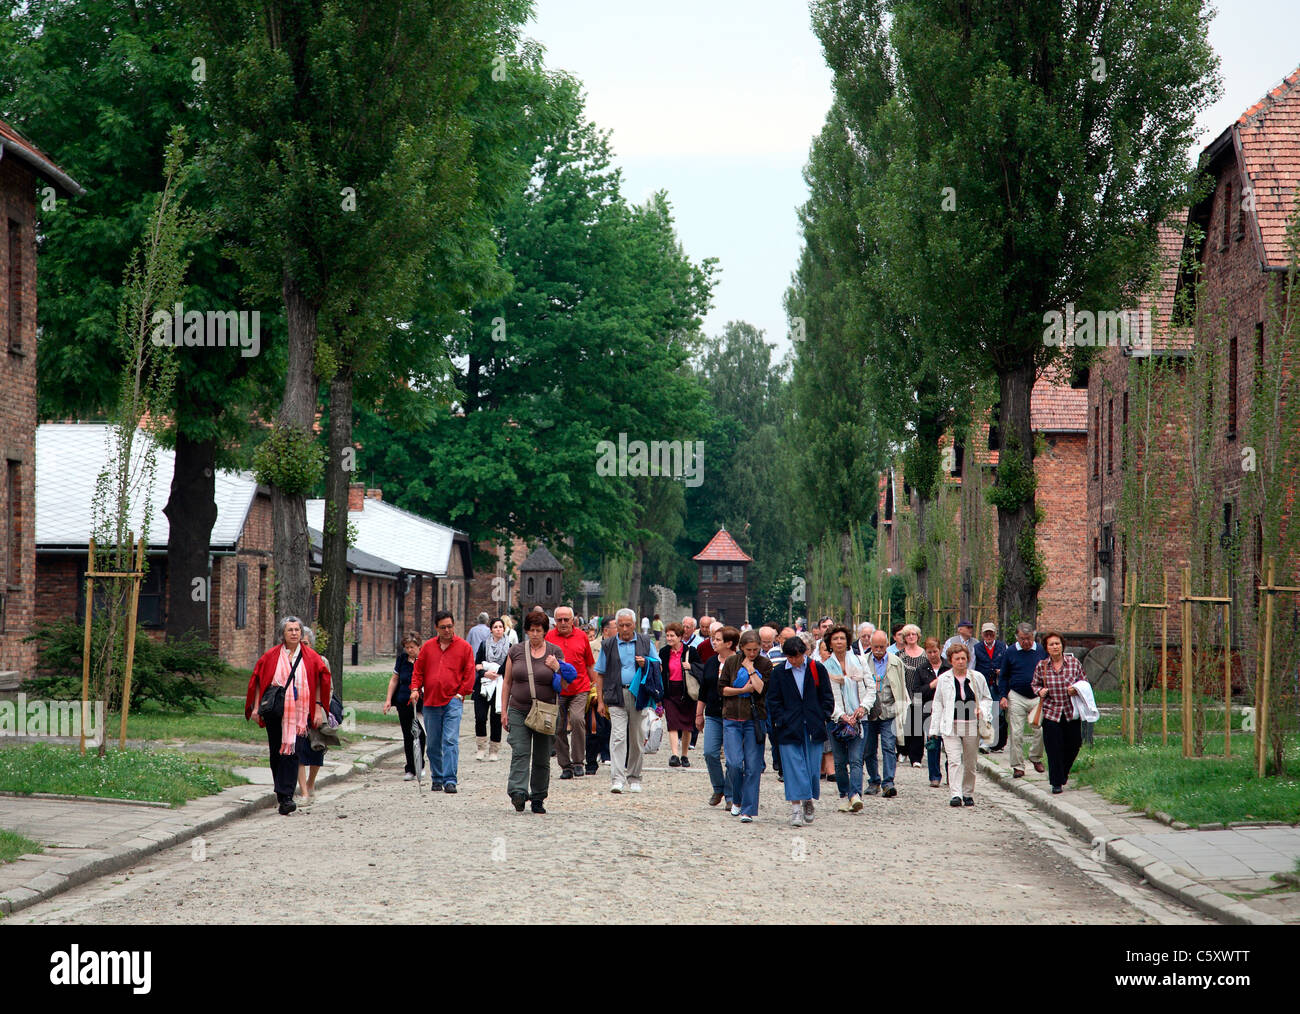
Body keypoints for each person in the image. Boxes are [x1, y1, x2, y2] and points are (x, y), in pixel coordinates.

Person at [244, 616, 330, 815]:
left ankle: (287, 797)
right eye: (290, 630)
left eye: (297, 630)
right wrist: (256, 708)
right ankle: (281, 791)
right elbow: (258, 682)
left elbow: (320, 681)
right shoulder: (271, 656)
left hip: (300, 713)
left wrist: (318, 708)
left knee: (293, 752)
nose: (294, 633)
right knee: (277, 752)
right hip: (275, 710)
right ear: (282, 633)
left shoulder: (311, 657)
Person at [766, 636, 834, 827]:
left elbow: (827, 696)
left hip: (812, 725)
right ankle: (796, 810)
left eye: (796, 657)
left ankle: (808, 799)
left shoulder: (816, 668)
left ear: (804, 653)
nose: (794, 661)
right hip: (788, 727)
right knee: (794, 769)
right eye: (790, 657)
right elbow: (773, 700)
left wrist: (823, 715)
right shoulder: (779, 672)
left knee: (812, 769)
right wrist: (780, 720)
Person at [501, 611, 566, 812]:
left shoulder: (555, 652)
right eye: (532, 630)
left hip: (545, 711)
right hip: (519, 709)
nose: (535, 634)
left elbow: (563, 684)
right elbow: (507, 682)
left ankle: (538, 796)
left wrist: (557, 668)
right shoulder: (516, 651)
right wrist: (503, 711)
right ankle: (518, 792)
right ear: (527, 630)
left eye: (539, 630)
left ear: (546, 632)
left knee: (541, 755)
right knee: (520, 751)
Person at [593, 608, 658, 794]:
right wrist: (599, 701)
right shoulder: (609, 645)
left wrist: (646, 663)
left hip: (639, 694)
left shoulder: (646, 642)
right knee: (618, 737)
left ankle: (634, 776)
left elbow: (658, 666)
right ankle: (618, 778)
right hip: (616, 695)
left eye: (628, 625)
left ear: (635, 625)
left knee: (637, 738)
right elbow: (600, 674)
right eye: (620, 625)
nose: (624, 628)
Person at [410, 610, 475, 793]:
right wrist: (415, 689)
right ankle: (437, 778)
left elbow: (470, 673)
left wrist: (461, 694)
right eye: (443, 627)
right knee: (433, 743)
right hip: (431, 701)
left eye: (450, 626)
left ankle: (450, 780)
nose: (447, 630)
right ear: (436, 628)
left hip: (453, 700)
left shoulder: (464, 647)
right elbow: (418, 671)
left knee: (450, 740)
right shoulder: (428, 647)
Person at [930, 642, 991, 807]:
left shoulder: (977, 677)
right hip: (951, 725)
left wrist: (982, 710)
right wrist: (934, 730)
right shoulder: (944, 679)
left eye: (963, 658)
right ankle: (955, 794)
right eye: (957, 659)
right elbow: (938, 704)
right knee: (954, 760)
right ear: (950, 660)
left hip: (971, 724)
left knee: (970, 763)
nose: (960, 662)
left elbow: (987, 698)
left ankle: (968, 792)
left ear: (968, 659)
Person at [718, 629, 770, 823]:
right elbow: (722, 689)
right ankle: (737, 798)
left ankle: (748, 809)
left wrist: (750, 668)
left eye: (756, 649)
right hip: (731, 718)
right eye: (748, 650)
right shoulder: (731, 662)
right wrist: (741, 690)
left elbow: (761, 689)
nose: (752, 653)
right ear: (741, 648)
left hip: (754, 720)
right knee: (733, 763)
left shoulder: (765, 664)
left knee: (753, 766)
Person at [823, 624, 874, 812]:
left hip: (859, 719)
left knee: (856, 760)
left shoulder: (860, 662)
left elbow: (870, 688)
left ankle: (855, 795)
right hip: (836, 721)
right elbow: (826, 696)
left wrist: (863, 707)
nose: (839, 642)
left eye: (842, 638)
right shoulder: (825, 667)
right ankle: (845, 793)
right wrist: (841, 715)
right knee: (839, 761)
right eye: (835, 639)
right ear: (829, 642)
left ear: (848, 641)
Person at [1032, 632, 1087, 794]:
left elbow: (1084, 682)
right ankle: (1056, 782)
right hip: (1051, 712)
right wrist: (1040, 691)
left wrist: (1075, 689)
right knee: (1053, 748)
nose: (1055, 647)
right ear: (1046, 648)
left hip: (1071, 711)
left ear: (1062, 645)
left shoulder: (1073, 663)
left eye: (1057, 643)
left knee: (1074, 743)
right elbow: (1034, 684)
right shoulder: (1042, 666)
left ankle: (1063, 773)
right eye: (1051, 644)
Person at [548, 605, 596, 779]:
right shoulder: (549, 637)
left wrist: (595, 685)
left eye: (566, 619)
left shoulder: (582, 636)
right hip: (557, 689)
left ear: (573, 620)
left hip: (580, 687)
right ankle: (565, 765)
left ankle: (578, 762)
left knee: (577, 720)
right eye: (559, 620)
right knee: (558, 726)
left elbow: (590, 663)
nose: (562, 623)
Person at [861, 629, 907, 797]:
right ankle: (874, 781)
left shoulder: (896, 662)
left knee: (888, 746)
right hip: (870, 711)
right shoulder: (864, 662)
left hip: (889, 711)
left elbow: (901, 686)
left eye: (882, 646)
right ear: (870, 646)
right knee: (868, 749)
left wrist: (901, 708)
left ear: (887, 645)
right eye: (875, 647)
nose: (879, 650)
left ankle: (888, 782)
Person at [1002, 622, 1048, 778]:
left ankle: (1035, 757)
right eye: (1022, 639)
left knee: (1040, 729)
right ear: (1017, 638)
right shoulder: (1010, 652)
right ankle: (1018, 766)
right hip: (1016, 695)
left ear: (1033, 637)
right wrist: (1003, 695)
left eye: (1028, 638)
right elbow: (1004, 676)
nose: (1026, 642)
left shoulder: (1041, 650)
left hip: (1036, 696)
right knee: (1016, 732)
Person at [696, 622, 734, 806]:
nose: (713, 642)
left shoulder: (739, 661)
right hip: (712, 713)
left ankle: (731, 794)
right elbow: (703, 690)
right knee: (710, 753)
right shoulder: (711, 662)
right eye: (713, 639)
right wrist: (698, 714)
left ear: (729, 643)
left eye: (718, 640)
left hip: (734, 714)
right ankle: (718, 787)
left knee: (733, 758)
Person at [293, 625, 331, 806]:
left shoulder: (320, 660)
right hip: (296, 712)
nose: (303, 645)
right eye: (301, 642)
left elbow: (328, 687)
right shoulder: (291, 660)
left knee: (317, 749)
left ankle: (311, 783)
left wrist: (322, 708)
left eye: (306, 643)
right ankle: (303, 790)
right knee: (298, 751)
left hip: (316, 712)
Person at [385, 630, 428, 780]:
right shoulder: (402, 660)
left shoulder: (423, 659)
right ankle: (410, 767)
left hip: (420, 702)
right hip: (403, 700)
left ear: (418, 646)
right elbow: (394, 679)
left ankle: (420, 765)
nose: (410, 650)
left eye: (412, 647)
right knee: (407, 735)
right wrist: (388, 699)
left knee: (420, 733)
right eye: (407, 647)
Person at [658, 622, 700, 767]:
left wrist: (691, 666)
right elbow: (661, 672)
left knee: (687, 725)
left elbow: (701, 669)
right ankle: (674, 755)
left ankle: (684, 755)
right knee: (672, 723)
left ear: (680, 637)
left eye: (672, 636)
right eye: (667, 635)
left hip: (687, 692)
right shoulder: (664, 652)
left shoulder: (691, 651)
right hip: (670, 692)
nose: (669, 638)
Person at [472, 617, 510, 761]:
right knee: (480, 717)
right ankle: (481, 747)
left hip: (500, 685)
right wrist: (485, 672)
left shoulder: (510, 646)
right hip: (484, 683)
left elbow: (509, 665)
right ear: (491, 630)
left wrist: (497, 671)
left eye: (500, 627)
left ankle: (494, 750)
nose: (498, 629)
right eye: (495, 627)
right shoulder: (483, 645)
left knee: (496, 718)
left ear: (504, 629)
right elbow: (477, 664)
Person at [916, 637, 949, 787]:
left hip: (948, 709)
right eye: (929, 652)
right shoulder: (921, 669)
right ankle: (934, 776)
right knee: (933, 744)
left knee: (950, 745)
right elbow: (917, 692)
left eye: (935, 651)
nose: (933, 655)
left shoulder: (948, 667)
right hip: (929, 709)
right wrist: (931, 685)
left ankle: (951, 775)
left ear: (940, 650)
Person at [973, 621, 1008, 753]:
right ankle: (984, 742)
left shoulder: (1002, 646)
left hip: (997, 684)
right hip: (983, 685)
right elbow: (973, 665)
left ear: (995, 634)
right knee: (984, 712)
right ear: (982, 634)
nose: (988, 636)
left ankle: (995, 743)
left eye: (991, 633)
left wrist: (1002, 671)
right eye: (986, 633)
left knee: (997, 713)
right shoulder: (977, 648)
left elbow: (1007, 663)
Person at [897, 623, 928, 769]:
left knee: (917, 725)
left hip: (919, 694)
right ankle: (903, 750)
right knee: (904, 723)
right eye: (908, 634)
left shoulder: (924, 654)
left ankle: (916, 757)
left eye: (913, 634)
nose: (911, 637)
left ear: (918, 636)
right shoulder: (899, 655)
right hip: (904, 692)